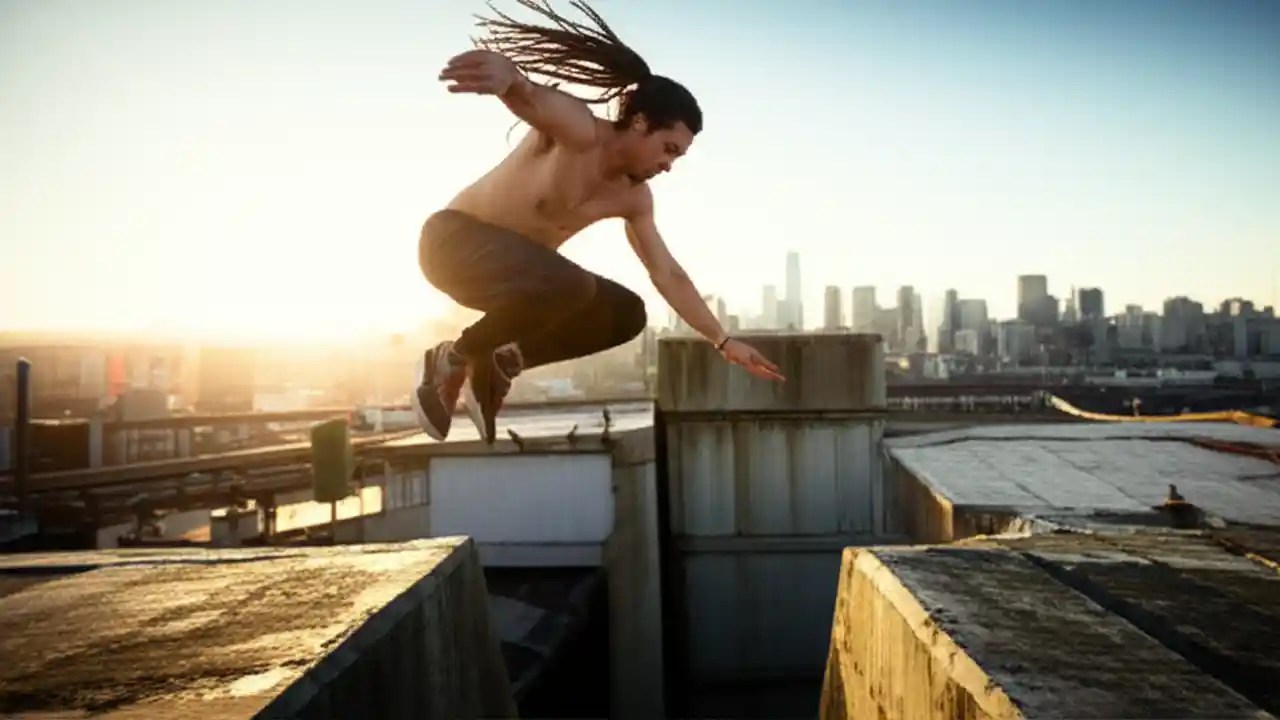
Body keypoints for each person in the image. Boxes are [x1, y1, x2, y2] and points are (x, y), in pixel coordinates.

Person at [413, 0, 785, 443]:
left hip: (510, 286)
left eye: (678, 157)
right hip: (450, 246)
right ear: (641, 123)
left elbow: (666, 272)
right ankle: (452, 358)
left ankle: (501, 361)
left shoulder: (634, 199)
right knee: (572, 287)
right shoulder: (579, 132)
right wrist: (506, 75)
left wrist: (723, 342)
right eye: (668, 149)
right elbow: (529, 95)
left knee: (626, 314)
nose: (669, 166)